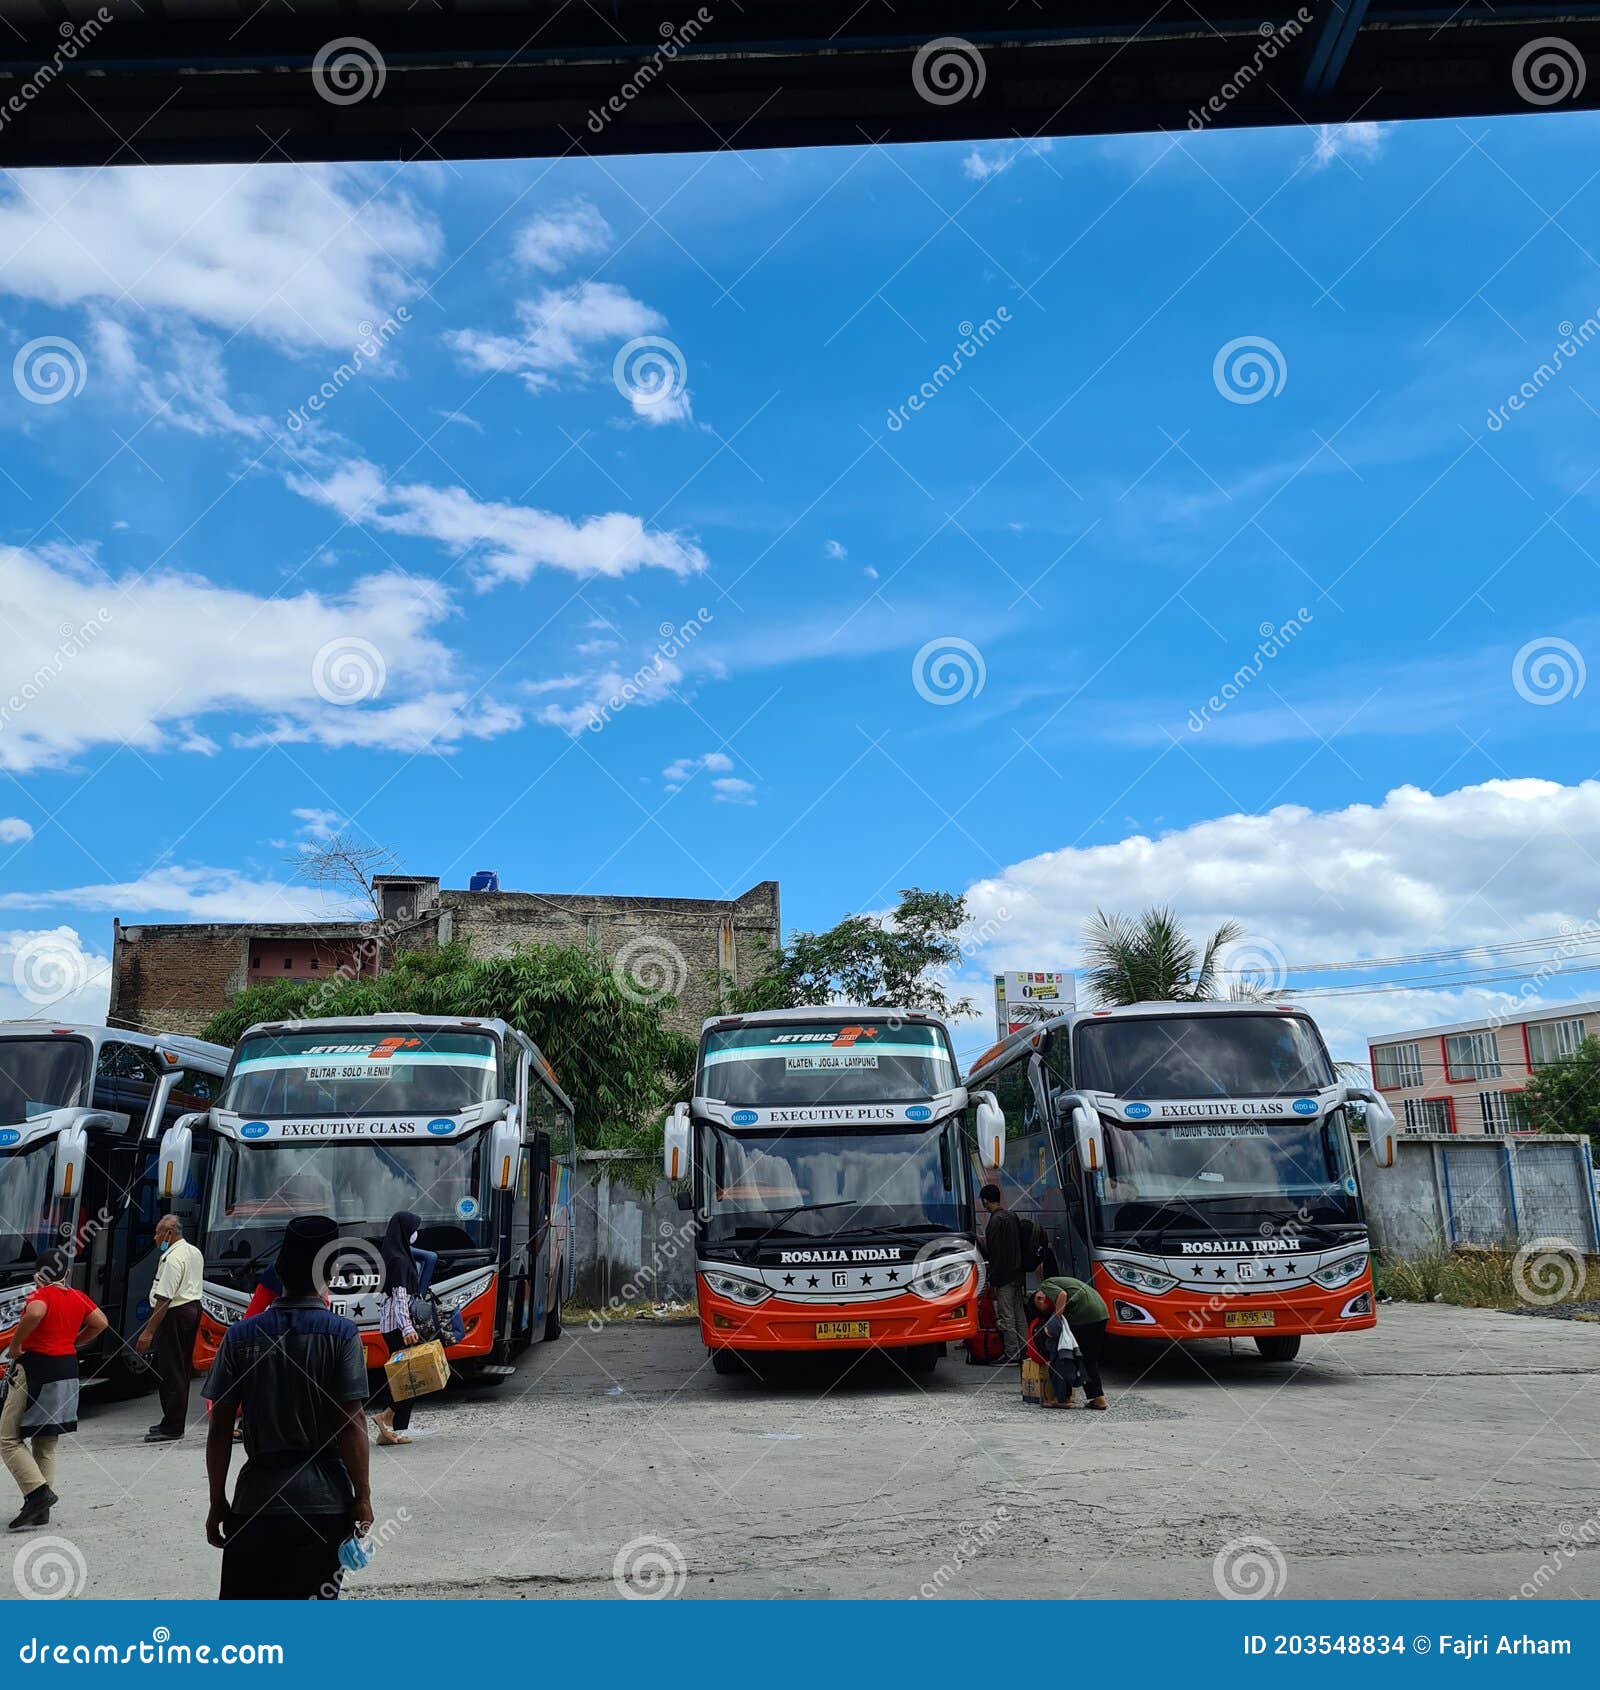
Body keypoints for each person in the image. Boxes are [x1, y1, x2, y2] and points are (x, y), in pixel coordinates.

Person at [203, 1214, 374, 1600]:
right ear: (329, 1275)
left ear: (278, 1270)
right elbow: (351, 1423)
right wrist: (362, 1495)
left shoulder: (239, 1336)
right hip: (324, 1505)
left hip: (254, 1504)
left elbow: (219, 1428)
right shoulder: (342, 1334)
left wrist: (217, 1503)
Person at [0, 1251, 107, 1529]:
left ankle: (37, 1494)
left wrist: (15, 1345)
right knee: (46, 1440)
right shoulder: (77, 1296)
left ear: (38, 1276)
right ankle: (40, 1510)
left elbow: (36, 1312)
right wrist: (74, 1341)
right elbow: (101, 1323)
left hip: (37, 1370)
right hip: (67, 1369)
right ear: (67, 1274)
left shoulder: (41, 1296)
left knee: (7, 1438)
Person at [136, 1215, 205, 1442]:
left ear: (169, 1234)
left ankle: (173, 1426)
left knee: (171, 1370)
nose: (155, 1238)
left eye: (158, 1233)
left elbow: (164, 1299)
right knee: (180, 1368)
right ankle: (171, 1420)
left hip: (175, 1314)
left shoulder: (173, 1258)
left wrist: (148, 1332)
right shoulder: (193, 1251)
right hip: (192, 1309)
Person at [372, 1210, 423, 1446]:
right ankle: (386, 1417)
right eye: (413, 1229)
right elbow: (400, 1298)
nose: (416, 1234)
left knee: (403, 1377)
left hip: (390, 1325)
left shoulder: (392, 1255)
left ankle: (390, 1431)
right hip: (398, 1326)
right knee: (409, 1378)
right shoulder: (400, 1261)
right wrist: (407, 1329)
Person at [1030, 1276, 1111, 1410]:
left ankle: (1062, 1398)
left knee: (1064, 1354)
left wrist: (1056, 1318)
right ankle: (1099, 1399)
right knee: (1089, 1359)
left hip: (1083, 1314)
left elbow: (1062, 1294)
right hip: (1101, 1312)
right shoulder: (1060, 1282)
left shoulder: (1045, 1285)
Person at [976, 1184, 1033, 1363]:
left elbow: (995, 1254)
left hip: (1004, 1277)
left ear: (985, 1200)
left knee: (1007, 1316)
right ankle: (1026, 1352)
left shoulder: (995, 1222)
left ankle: (1011, 1354)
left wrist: (993, 1280)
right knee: (1020, 1315)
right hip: (1018, 1274)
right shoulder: (1012, 1216)